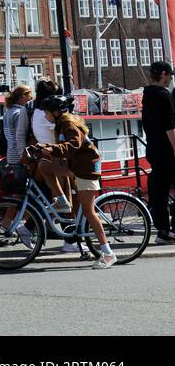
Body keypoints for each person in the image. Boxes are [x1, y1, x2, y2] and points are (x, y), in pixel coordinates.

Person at [29, 96, 116, 269]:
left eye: (47, 112)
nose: (45, 116)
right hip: (76, 165)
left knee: (89, 212)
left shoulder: (68, 124)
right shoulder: (61, 124)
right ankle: (62, 201)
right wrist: (42, 147)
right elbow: (63, 146)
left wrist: (51, 149)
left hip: (86, 169)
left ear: (56, 112)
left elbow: (72, 145)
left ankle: (108, 253)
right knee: (44, 166)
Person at [141, 61, 175, 244]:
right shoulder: (164, 96)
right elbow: (170, 127)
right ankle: (168, 231)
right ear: (163, 74)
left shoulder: (147, 95)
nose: (170, 79)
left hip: (153, 148)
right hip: (167, 151)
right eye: (170, 75)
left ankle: (163, 230)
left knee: (159, 192)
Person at [31, 80, 73, 210]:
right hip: (57, 157)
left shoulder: (35, 112)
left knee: (55, 196)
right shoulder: (49, 116)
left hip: (50, 156)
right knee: (67, 195)